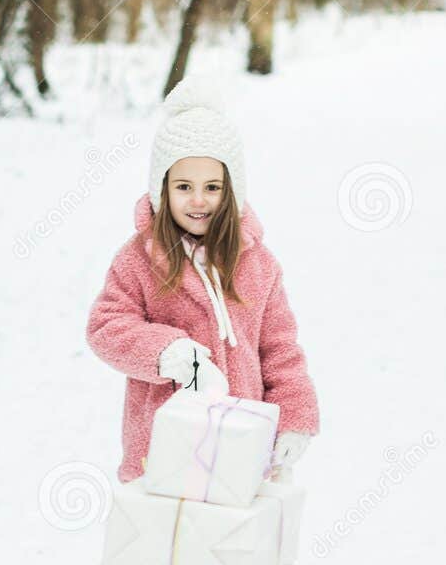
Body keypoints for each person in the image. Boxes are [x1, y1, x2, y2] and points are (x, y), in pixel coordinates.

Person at [86, 74, 320, 484]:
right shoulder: (137, 260)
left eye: (212, 186)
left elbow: (280, 347)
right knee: (164, 546)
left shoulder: (259, 265)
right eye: (183, 186)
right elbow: (106, 327)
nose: (198, 200)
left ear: (232, 190)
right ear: (162, 189)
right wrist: (169, 353)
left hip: (242, 448)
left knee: (231, 544)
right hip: (160, 452)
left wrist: (294, 416)